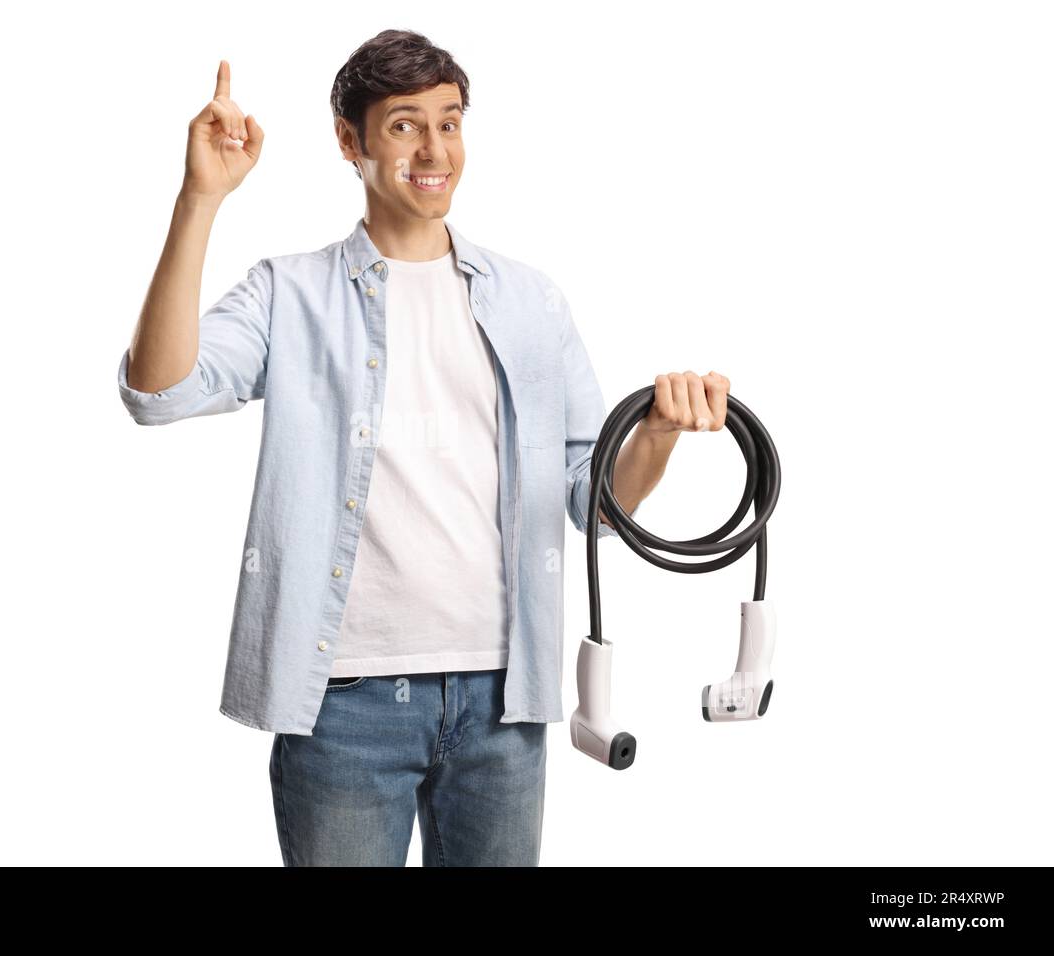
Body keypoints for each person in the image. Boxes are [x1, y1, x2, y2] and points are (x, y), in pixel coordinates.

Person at [117, 30, 730, 866]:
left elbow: (596, 499)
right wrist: (201, 199)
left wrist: (655, 436)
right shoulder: (287, 294)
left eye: (450, 122)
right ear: (350, 141)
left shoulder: (530, 301)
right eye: (405, 125)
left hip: (503, 704)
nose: (434, 149)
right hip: (346, 707)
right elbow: (157, 393)